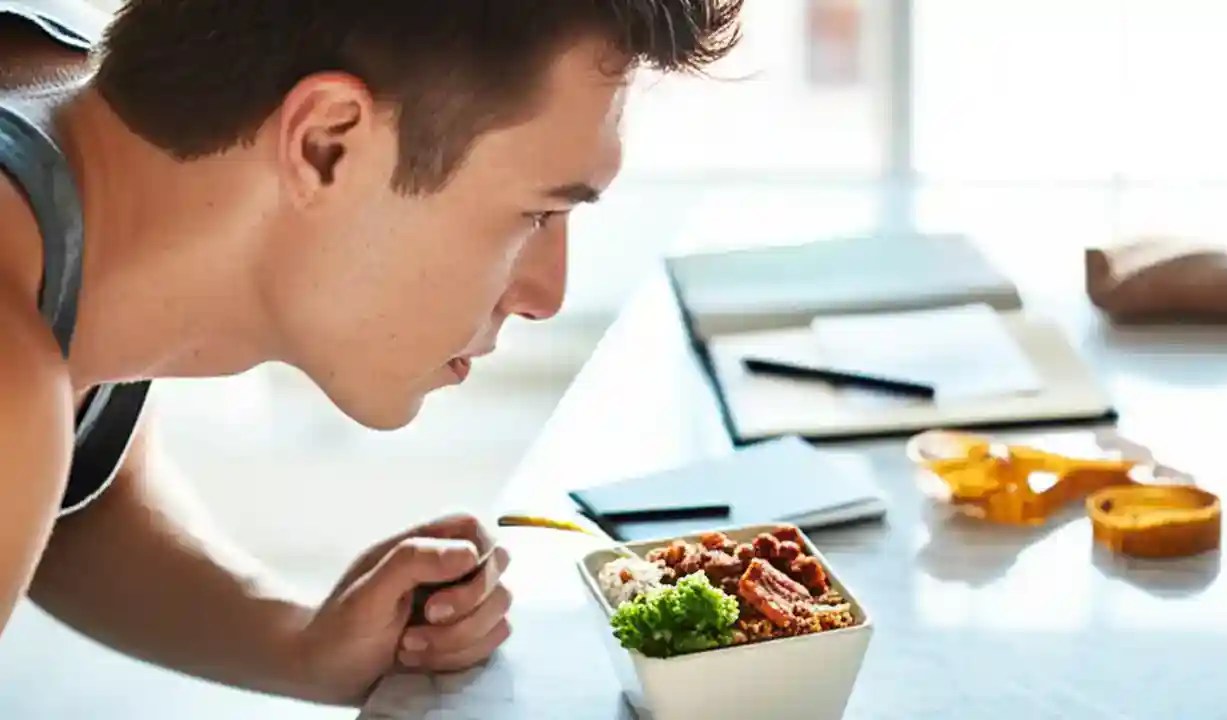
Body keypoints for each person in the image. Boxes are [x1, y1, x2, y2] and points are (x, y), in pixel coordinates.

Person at [0, 0, 743, 707]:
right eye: (537, 214)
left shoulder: (78, 110)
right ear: (328, 144)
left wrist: (299, 642)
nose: (546, 295)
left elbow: (67, 490)